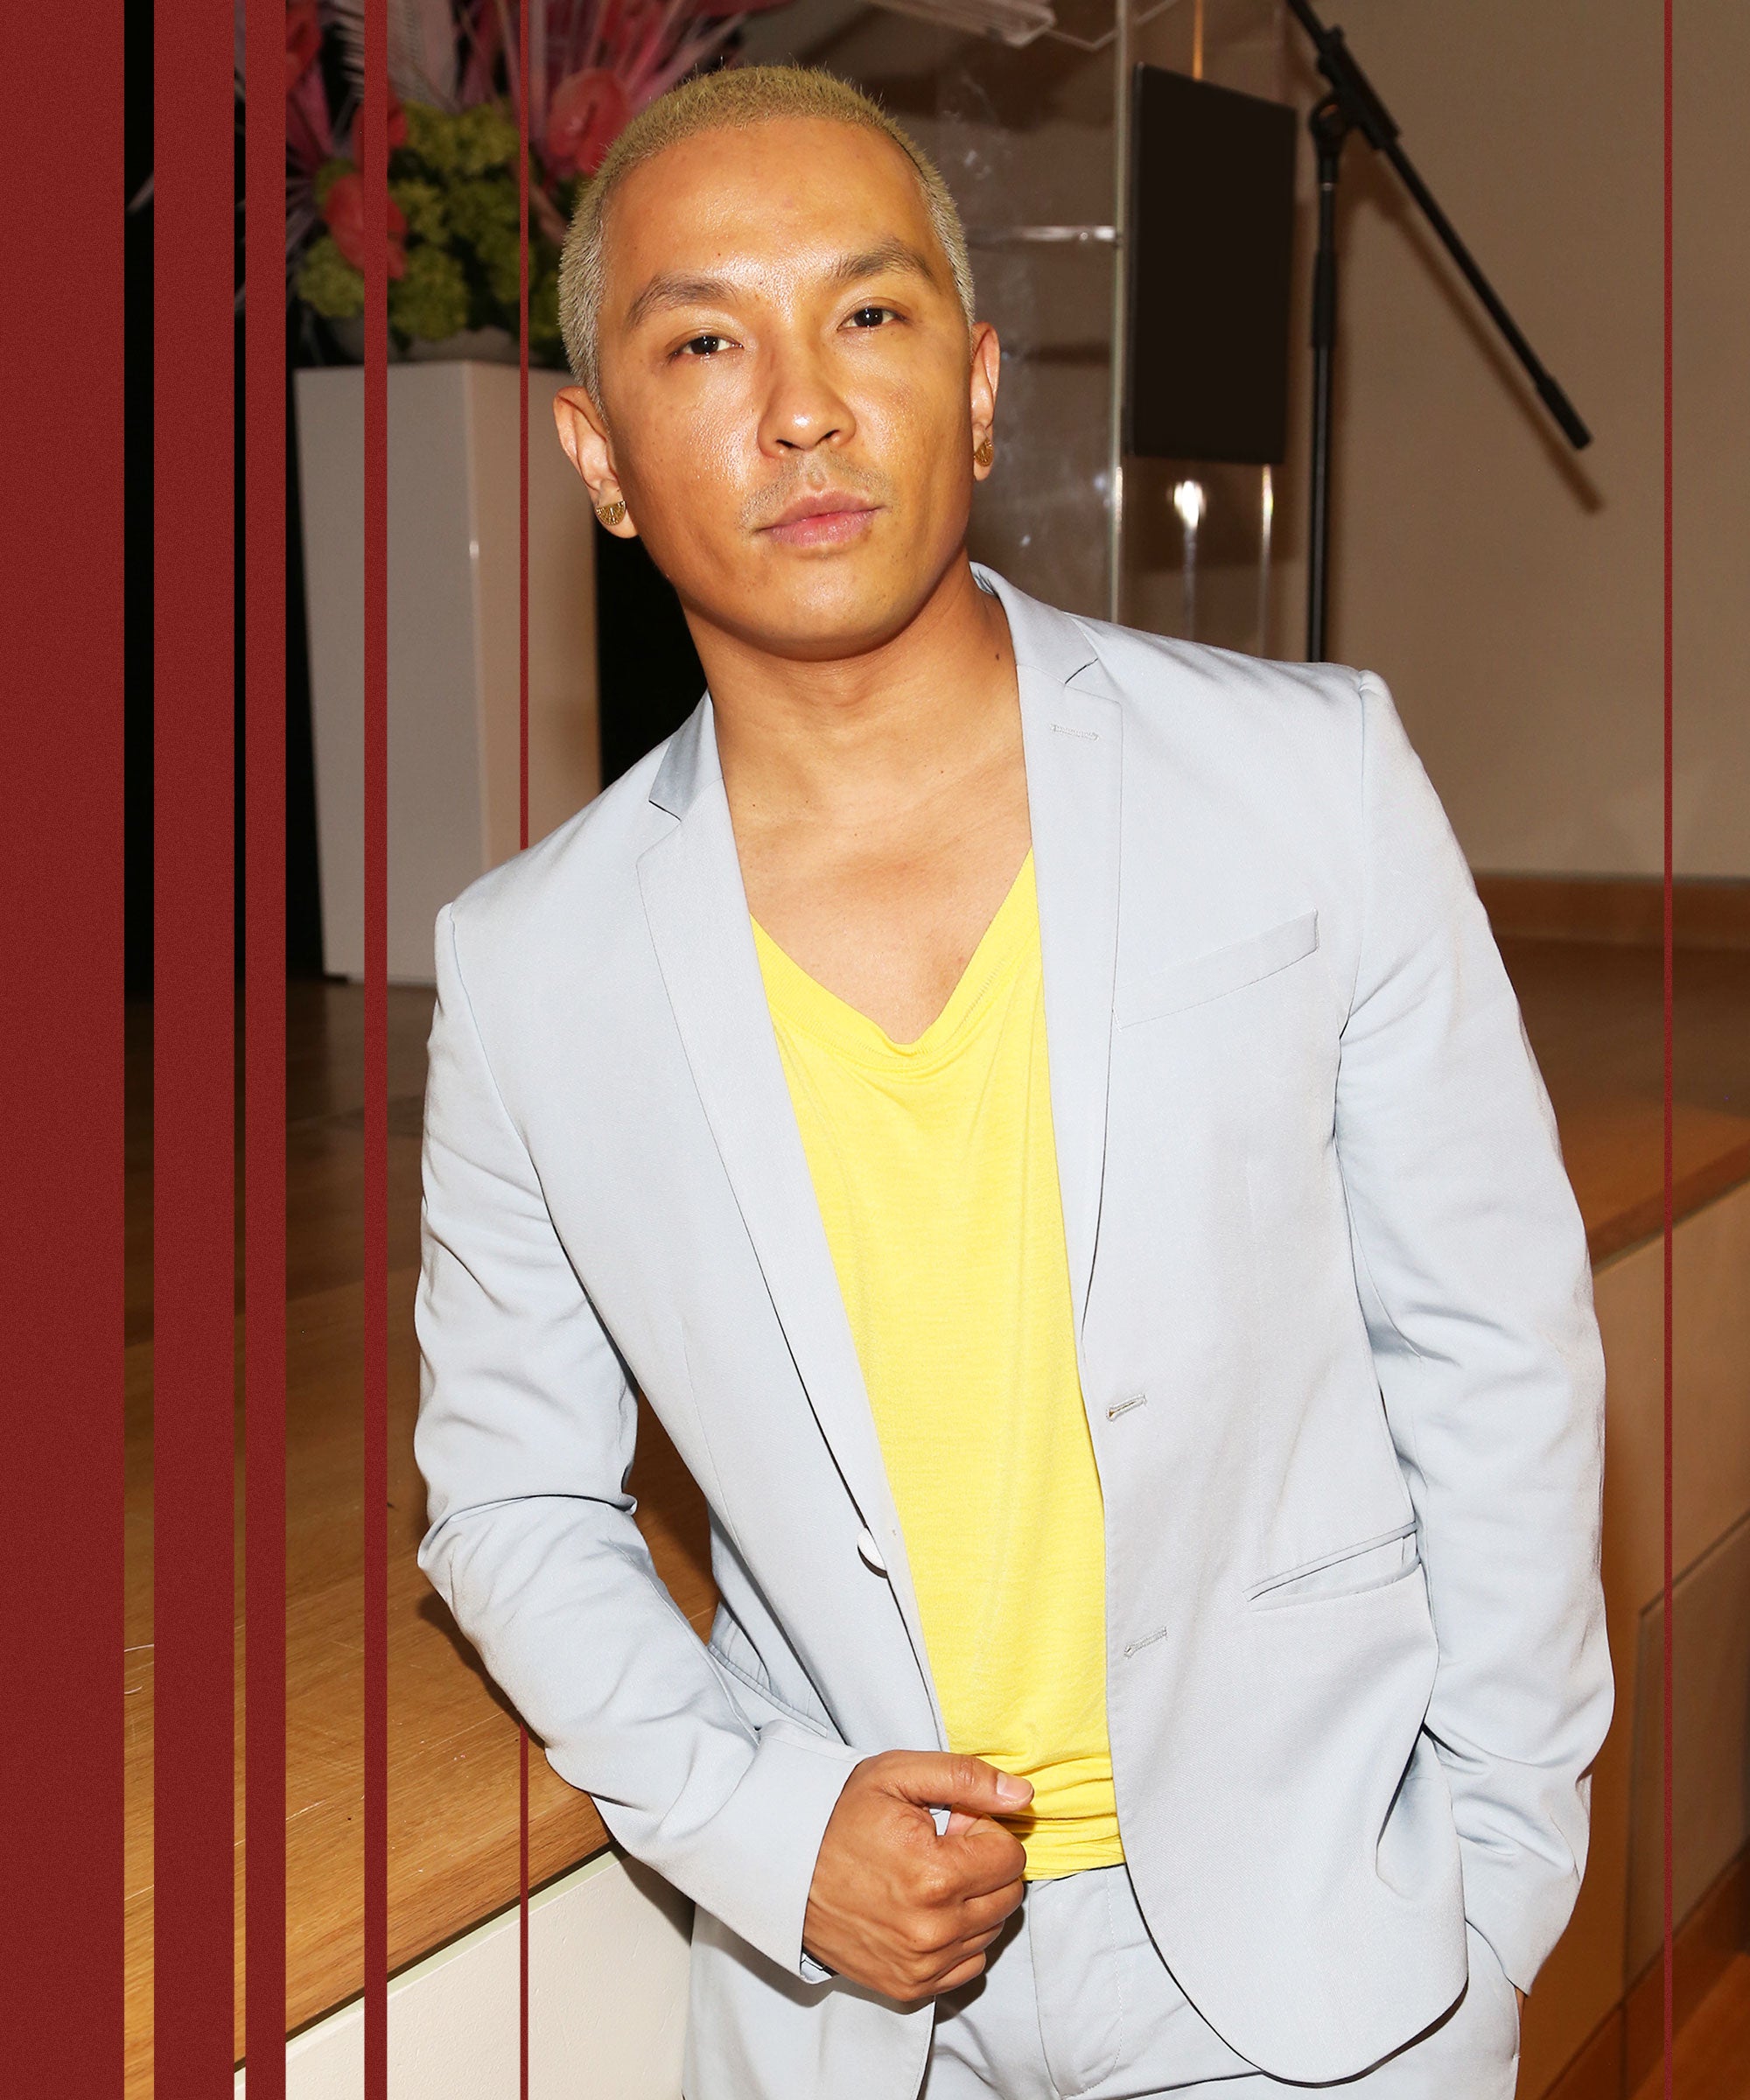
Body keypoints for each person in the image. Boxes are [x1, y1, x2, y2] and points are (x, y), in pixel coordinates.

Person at [413, 63, 1610, 2100]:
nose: (802, 408)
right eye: (704, 342)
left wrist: (1495, 1882)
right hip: (852, 2011)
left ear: (974, 390)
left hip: (1324, 1955)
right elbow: (510, 1497)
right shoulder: (533, 965)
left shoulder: (1305, 778)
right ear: (596, 454)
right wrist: (766, 1829)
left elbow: (1493, 1344)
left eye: (867, 314)